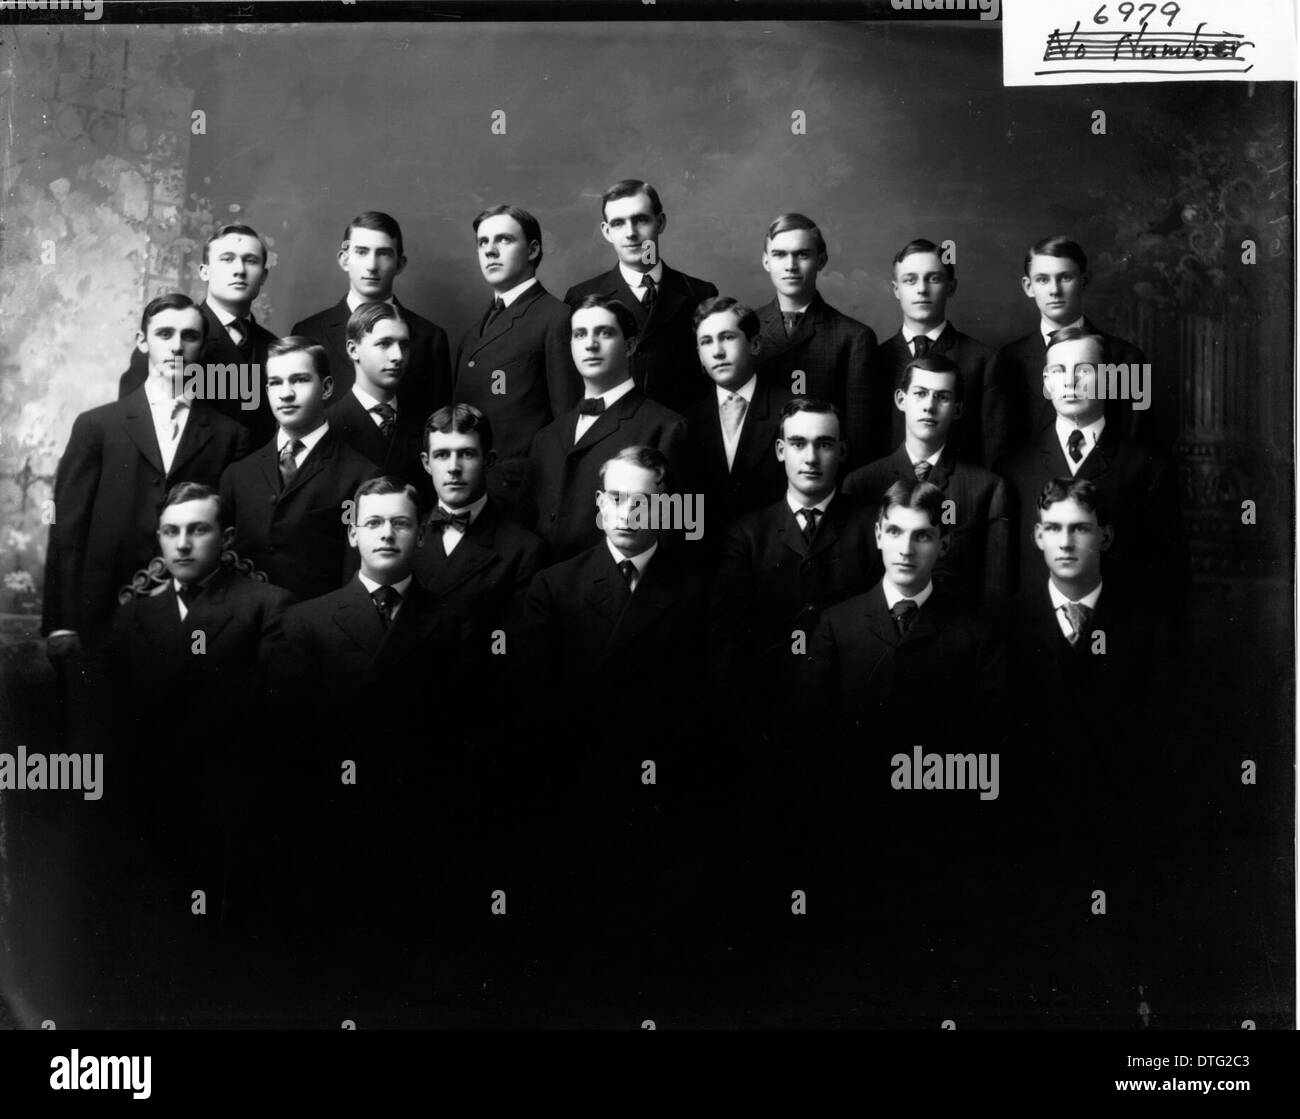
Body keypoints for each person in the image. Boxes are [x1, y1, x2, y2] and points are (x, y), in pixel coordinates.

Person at [44, 294, 251, 653]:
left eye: (189, 336)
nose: (176, 346)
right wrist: (62, 622)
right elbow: (67, 529)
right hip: (104, 608)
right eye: (164, 334)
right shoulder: (97, 426)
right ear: (143, 341)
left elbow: (233, 532)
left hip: (193, 612)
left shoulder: (230, 435)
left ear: (203, 347)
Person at [710, 397, 879, 722]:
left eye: (824, 444)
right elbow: (727, 640)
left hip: (849, 706)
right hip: (767, 710)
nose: (811, 458)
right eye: (798, 444)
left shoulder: (871, 526)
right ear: (780, 450)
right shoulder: (747, 534)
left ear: (842, 451)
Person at [996, 327, 1184, 610]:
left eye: (1083, 370)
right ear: (1047, 382)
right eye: (1058, 371)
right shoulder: (1013, 469)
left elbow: (1168, 578)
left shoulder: (1147, 469)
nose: (1070, 381)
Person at [521, 294, 688, 562]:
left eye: (605, 333)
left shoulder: (668, 427)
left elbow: (683, 531)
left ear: (630, 346)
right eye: (580, 334)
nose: (590, 344)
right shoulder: (546, 437)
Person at [219, 336, 378, 602]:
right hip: (245, 622)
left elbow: (352, 577)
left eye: (300, 380)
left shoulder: (361, 476)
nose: (286, 393)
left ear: (326, 388)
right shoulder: (237, 475)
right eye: (275, 382)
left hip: (316, 622)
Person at [842, 355, 1010, 605]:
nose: (929, 406)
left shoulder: (987, 488)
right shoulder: (860, 484)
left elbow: (995, 592)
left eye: (942, 397)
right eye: (920, 394)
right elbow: (852, 584)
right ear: (901, 400)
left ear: (957, 409)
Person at [452, 205, 580, 511]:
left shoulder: (557, 319)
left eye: (504, 240)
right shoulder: (471, 335)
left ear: (533, 250)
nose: (490, 251)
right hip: (468, 490)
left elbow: (567, 423)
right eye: (483, 242)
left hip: (522, 495)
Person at [984, 235, 1153, 464]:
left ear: (1084, 280)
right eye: (1042, 279)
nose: (1054, 290)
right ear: (1028, 286)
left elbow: (1139, 449)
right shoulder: (1006, 361)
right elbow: (997, 449)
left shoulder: (1128, 359)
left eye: (1065, 277)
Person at [564, 178, 717, 412]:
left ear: (660, 222)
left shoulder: (700, 293)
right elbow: (572, 385)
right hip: (613, 425)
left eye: (641, 220)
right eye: (618, 223)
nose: (631, 233)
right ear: (606, 231)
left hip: (683, 426)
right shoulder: (581, 296)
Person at [118, 224, 278, 442]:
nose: (240, 270)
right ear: (205, 272)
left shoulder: (273, 347)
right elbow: (131, 427)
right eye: (227, 259)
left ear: (263, 276)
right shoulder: (166, 342)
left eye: (250, 261)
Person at [291, 210, 452, 423]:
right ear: (344, 259)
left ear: (400, 264)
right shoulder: (308, 333)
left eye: (383, 253)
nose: (372, 266)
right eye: (361, 252)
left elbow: (439, 425)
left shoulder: (429, 337)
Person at [413, 403, 545, 648]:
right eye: (442, 455)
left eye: (467, 454)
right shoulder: (406, 536)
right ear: (426, 463)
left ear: (488, 460)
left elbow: (514, 651)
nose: (453, 468)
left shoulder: (523, 550)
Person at [753, 213, 878, 463]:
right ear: (766, 261)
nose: (790, 265)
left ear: (821, 260)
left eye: (802, 254)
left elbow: (859, 436)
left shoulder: (854, 338)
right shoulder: (747, 329)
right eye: (779, 254)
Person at [684, 296, 792, 561]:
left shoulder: (791, 411)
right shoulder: (684, 423)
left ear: (755, 344)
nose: (717, 352)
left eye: (727, 337)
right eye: (706, 342)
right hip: (705, 563)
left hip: (774, 556)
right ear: (699, 355)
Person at [875, 237, 998, 464]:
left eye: (933, 279)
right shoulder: (876, 358)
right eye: (910, 280)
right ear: (896, 290)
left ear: (951, 287)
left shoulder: (982, 359)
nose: (922, 290)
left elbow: (993, 449)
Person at [323, 302, 428, 496]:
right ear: (353, 349)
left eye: (404, 345)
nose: (398, 356)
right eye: (384, 344)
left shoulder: (423, 423)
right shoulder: (327, 425)